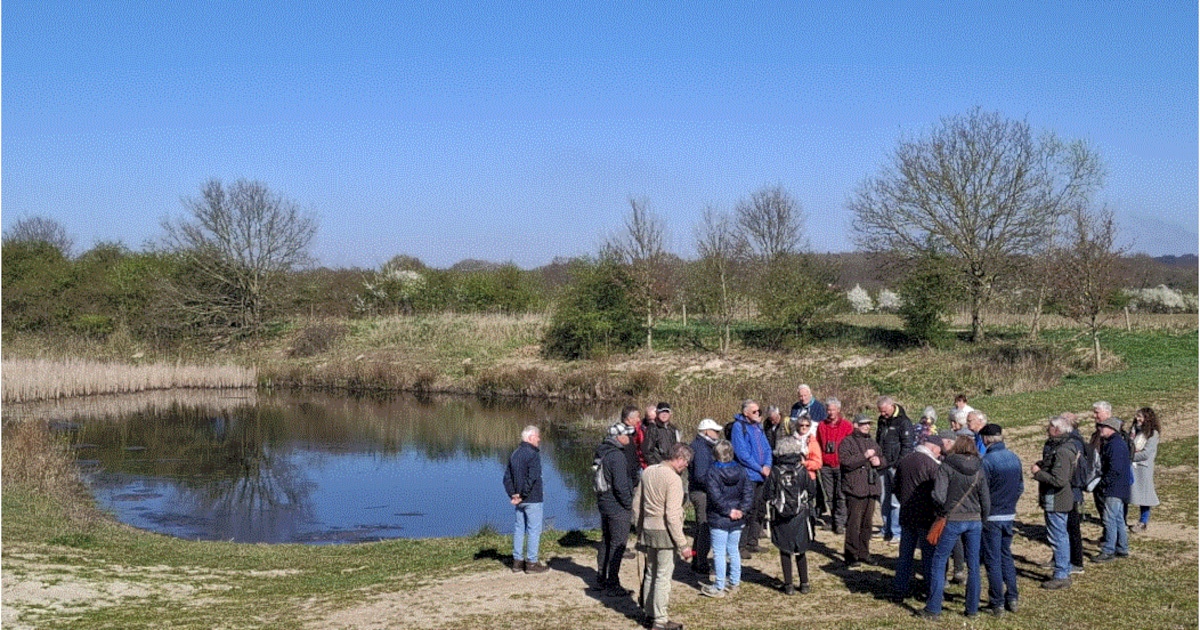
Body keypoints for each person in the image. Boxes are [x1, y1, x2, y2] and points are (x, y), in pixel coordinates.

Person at [919, 436, 990, 620]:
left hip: (952, 518)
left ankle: (934, 608)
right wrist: (983, 519)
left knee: (939, 561)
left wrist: (943, 511)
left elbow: (938, 494)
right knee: (973, 566)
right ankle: (972, 609)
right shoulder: (979, 468)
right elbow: (985, 499)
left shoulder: (947, 466)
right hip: (974, 520)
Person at [632, 443, 695, 630]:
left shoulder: (649, 471)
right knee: (663, 576)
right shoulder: (674, 480)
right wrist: (683, 544)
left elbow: (637, 503)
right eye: (686, 462)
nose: (686, 466)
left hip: (649, 528)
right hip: (665, 531)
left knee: (651, 571)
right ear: (679, 459)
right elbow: (673, 516)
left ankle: (650, 613)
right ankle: (660, 619)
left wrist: (639, 527)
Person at [892, 435, 943, 602]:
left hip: (907, 514)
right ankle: (930, 590)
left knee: (905, 555)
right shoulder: (931, 465)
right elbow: (938, 492)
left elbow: (896, 487)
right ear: (934, 449)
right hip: (926, 516)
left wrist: (905, 502)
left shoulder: (905, 460)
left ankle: (899, 588)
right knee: (928, 556)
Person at [699, 440, 752, 599]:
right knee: (733, 549)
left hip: (719, 517)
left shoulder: (712, 472)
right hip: (734, 517)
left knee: (720, 552)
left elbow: (715, 497)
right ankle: (735, 581)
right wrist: (741, 510)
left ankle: (719, 585)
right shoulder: (741, 470)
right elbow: (748, 492)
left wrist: (730, 511)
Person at [980, 423, 1023, 616]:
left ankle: (996, 602)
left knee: (993, 559)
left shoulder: (987, 461)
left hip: (992, 516)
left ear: (986, 439)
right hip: (1009, 514)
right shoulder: (1014, 458)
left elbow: (982, 491)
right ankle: (1012, 596)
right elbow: (1020, 487)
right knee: (1006, 555)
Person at [766, 435, 818, 595]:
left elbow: (768, 492)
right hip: (800, 514)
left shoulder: (775, 470)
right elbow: (811, 491)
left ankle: (788, 585)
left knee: (784, 549)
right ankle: (804, 583)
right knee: (801, 549)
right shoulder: (802, 470)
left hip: (781, 515)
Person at [1033, 414, 1079, 590]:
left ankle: (1061, 574)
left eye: (1049, 427)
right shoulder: (1065, 446)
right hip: (1059, 498)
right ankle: (1063, 569)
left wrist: (1038, 473)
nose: (1047, 429)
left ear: (1057, 430)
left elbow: (1059, 480)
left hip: (1056, 498)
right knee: (1061, 535)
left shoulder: (1061, 450)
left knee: (1057, 536)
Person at [840, 413, 887, 567]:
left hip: (870, 488)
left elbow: (883, 459)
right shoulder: (847, 442)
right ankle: (851, 555)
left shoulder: (873, 442)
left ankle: (864, 553)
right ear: (855, 425)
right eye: (863, 424)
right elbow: (845, 462)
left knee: (867, 524)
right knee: (854, 523)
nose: (867, 426)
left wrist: (878, 462)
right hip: (854, 488)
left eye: (868, 424)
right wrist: (864, 456)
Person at [594, 422, 635, 596]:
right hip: (617, 505)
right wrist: (628, 504)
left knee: (606, 540)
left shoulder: (601, 451)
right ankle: (613, 582)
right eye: (627, 434)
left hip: (604, 502)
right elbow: (620, 486)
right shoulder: (617, 456)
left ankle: (602, 577)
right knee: (618, 544)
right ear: (617, 437)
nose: (630, 437)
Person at [730, 399, 772, 558]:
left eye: (759, 411)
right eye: (755, 412)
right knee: (746, 509)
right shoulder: (738, 427)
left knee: (758, 508)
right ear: (746, 413)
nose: (758, 414)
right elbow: (742, 453)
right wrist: (759, 468)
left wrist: (767, 465)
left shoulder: (758, 427)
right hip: (748, 474)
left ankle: (752, 541)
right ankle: (740, 545)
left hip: (762, 474)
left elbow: (767, 448)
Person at [503, 425, 547, 574]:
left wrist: (513, 494)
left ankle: (517, 562)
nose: (539, 439)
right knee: (534, 530)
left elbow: (507, 478)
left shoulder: (515, 454)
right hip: (532, 499)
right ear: (530, 438)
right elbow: (533, 477)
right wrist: (522, 494)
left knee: (519, 529)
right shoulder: (533, 455)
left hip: (519, 500)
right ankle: (532, 563)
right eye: (537, 436)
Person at [1093, 413, 1131, 562]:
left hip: (1113, 488)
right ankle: (1122, 548)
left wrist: (1103, 483)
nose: (1100, 429)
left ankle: (1108, 550)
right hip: (1121, 487)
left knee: (1109, 519)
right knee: (1119, 518)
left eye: (1103, 427)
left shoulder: (1114, 445)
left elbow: (1114, 469)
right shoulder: (1118, 443)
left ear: (1111, 428)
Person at [876, 396, 914, 544]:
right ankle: (886, 528)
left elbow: (907, 446)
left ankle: (897, 531)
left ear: (892, 406)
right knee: (883, 498)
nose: (883, 414)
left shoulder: (904, 422)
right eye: (881, 412)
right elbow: (879, 440)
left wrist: (898, 465)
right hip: (882, 464)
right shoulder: (882, 420)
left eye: (885, 411)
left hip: (896, 466)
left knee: (894, 501)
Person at [688, 418, 723, 574]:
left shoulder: (704, 446)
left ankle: (697, 559)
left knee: (701, 528)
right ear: (706, 431)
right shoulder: (701, 448)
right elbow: (701, 476)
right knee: (704, 527)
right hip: (701, 492)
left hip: (702, 491)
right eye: (715, 431)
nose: (718, 434)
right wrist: (716, 485)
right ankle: (700, 562)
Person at [816, 397, 853, 533]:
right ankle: (833, 519)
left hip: (841, 465)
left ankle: (840, 522)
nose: (830, 412)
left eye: (833, 410)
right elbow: (818, 444)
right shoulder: (821, 426)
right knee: (829, 495)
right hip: (826, 465)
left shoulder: (847, 426)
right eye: (828, 410)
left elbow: (851, 445)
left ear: (838, 410)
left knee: (841, 494)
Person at [1129, 407, 1161, 532]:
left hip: (1143, 468)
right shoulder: (1133, 432)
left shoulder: (1153, 434)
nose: (1137, 419)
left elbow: (1146, 453)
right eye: (1137, 416)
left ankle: (1143, 522)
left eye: (1140, 417)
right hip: (1132, 467)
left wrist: (1129, 456)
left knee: (1145, 496)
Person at [642, 402, 681, 467]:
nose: (664, 414)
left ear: (670, 414)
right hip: (659, 467)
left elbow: (677, 448)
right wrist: (658, 466)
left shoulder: (673, 429)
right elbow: (647, 451)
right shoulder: (652, 428)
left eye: (666, 412)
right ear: (657, 413)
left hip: (672, 466)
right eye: (662, 412)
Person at [621, 405, 645, 487]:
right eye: (637, 417)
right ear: (629, 419)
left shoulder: (633, 433)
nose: (639, 420)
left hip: (633, 476)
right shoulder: (622, 437)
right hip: (627, 479)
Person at [794, 415, 823, 480]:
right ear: (798, 426)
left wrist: (805, 463)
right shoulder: (791, 440)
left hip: (808, 476)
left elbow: (818, 463)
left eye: (807, 425)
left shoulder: (812, 441)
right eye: (802, 425)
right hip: (793, 475)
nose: (804, 427)